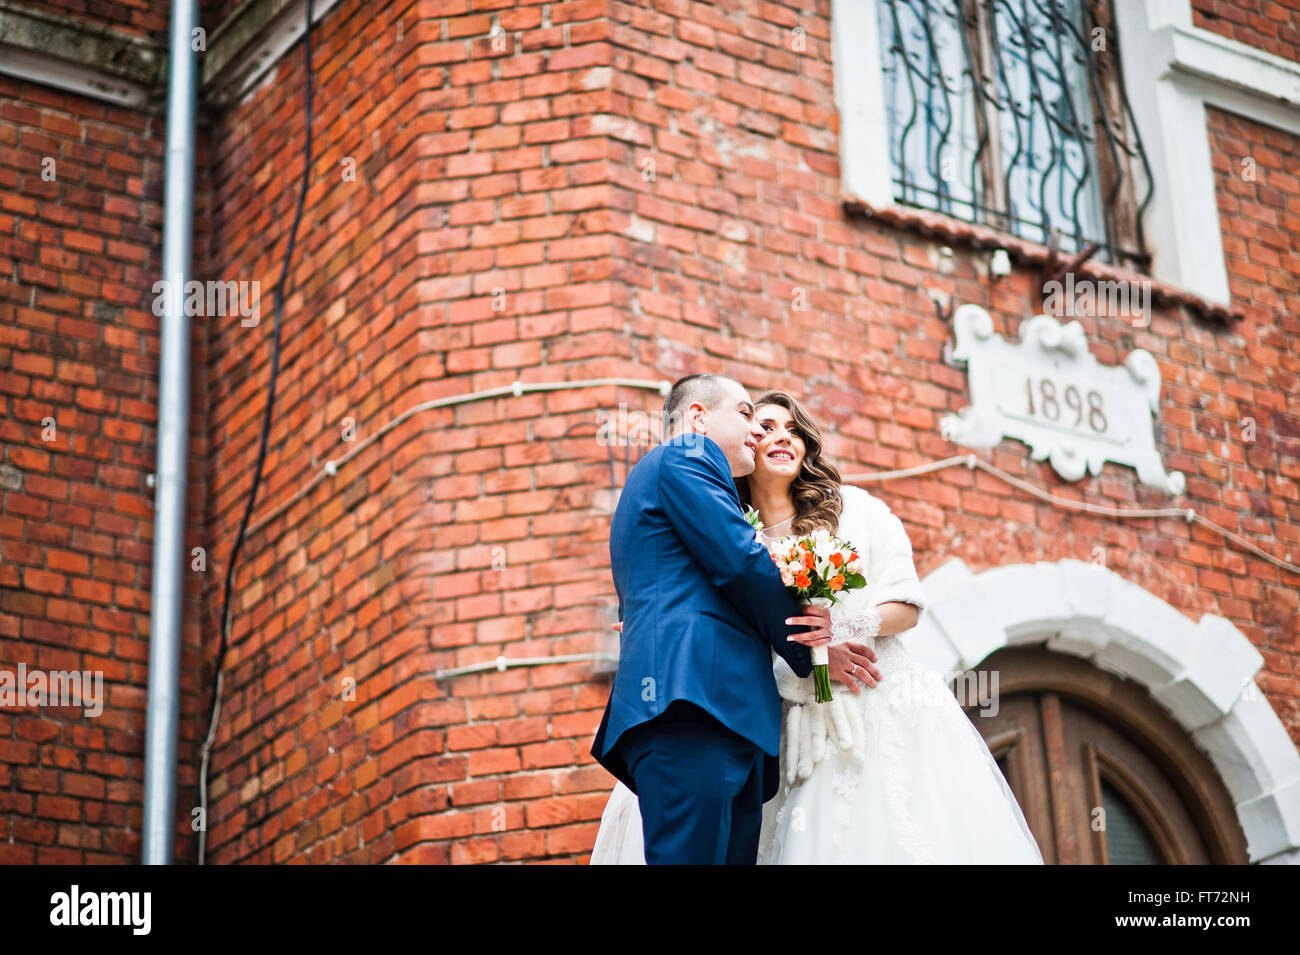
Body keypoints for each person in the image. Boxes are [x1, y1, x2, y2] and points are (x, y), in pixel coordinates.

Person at [590, 390, 1044, 865]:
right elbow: (720, 595)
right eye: (761, 426)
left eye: (793, 430)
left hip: (867, 710)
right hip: (764, 723)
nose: (777, 437)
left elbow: (907, 604)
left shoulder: (856, 510)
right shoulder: (727, 523)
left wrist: (843, 625)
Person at [588, 374, 836, 864]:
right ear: (697, 418)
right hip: (691, 705)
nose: (760, 431)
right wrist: (810, 643)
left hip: (724, 715)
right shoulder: (686, 454)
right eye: (746, 414)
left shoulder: (698, 486)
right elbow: (740, 560)